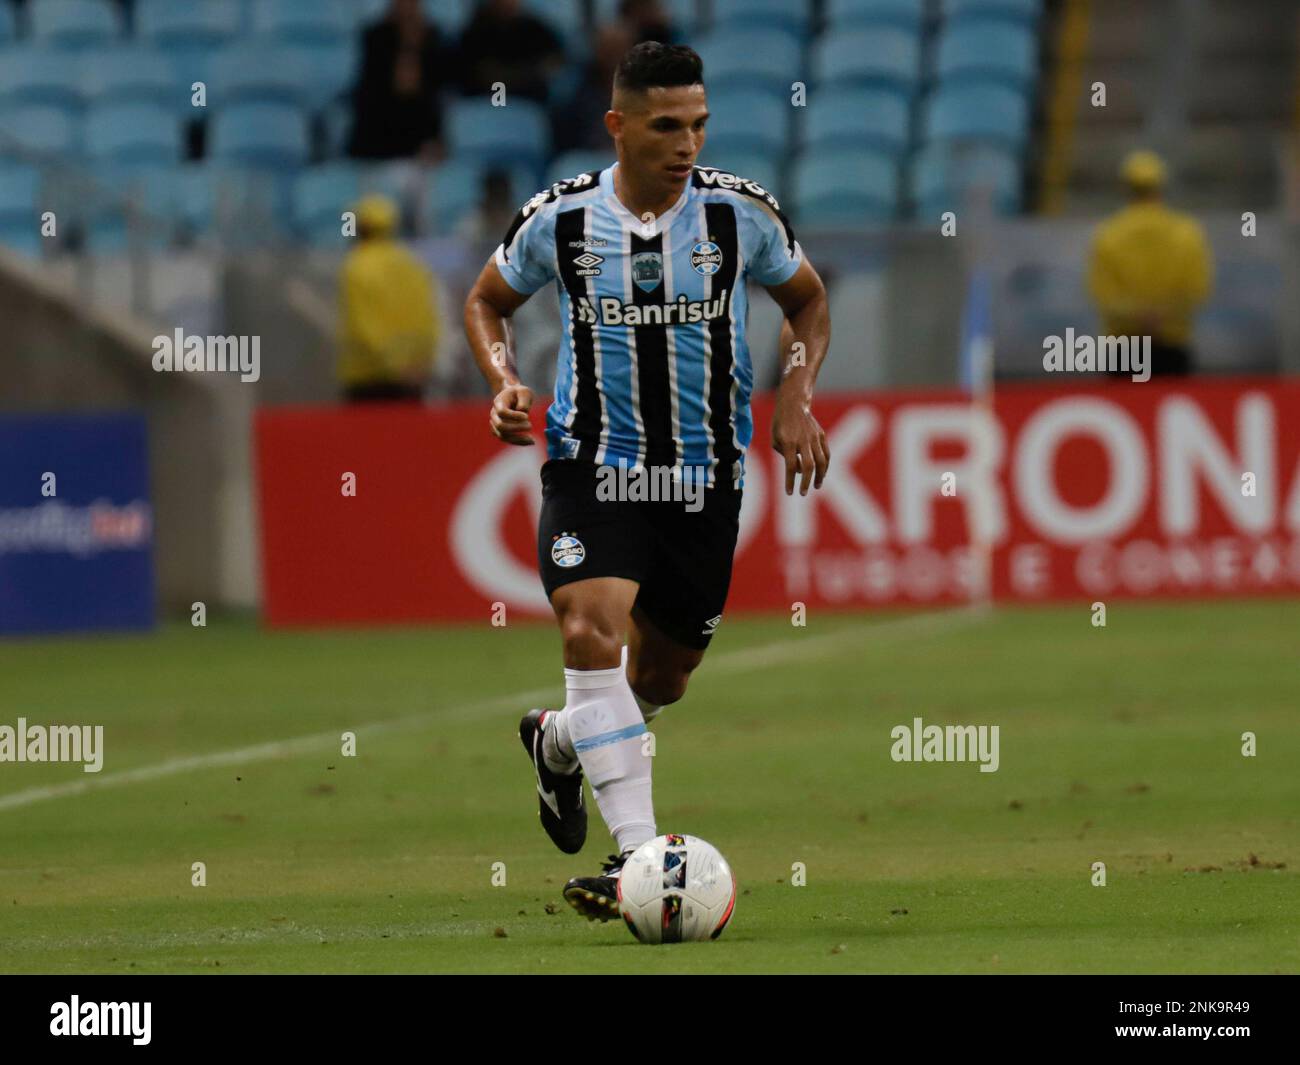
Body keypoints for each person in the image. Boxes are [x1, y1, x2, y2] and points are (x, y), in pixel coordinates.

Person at [463, 42, 831, 920]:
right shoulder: (559, 220)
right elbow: (485, 302)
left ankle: (556, 741)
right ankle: (637, 858)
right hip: (594, 465)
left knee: (663, 677)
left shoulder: (742, 217)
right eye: (668, 126)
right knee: (590, 628)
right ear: (618, 127)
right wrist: (504, 383)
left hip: (704, 479)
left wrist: (795, 393)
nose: (688, 144)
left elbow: (808, 303)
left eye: (699, 125)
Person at [1087, 149, 1213, 376]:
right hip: (1172, 344)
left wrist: (1138, 317)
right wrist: (1162, 317)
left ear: (1125, 188)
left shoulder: (1108, 234)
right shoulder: (1188, 233)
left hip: (1124, 349)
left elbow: (1102, 295)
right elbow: (1197, 290)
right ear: (1161, 186)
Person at [338, 196, 439, 402]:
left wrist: (394, 364)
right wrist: (421, 362)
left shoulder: (356, 265)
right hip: (414, 376)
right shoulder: (412, 263)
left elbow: (364, 326)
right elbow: (428, 318)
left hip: (368, 378)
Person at [348, 0, 446, 162]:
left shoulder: (432, 39)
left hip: (420, 150)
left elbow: (436, 94)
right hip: (374, 147)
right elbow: (377, 93)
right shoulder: (375, 39)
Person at [457, 0, 566, 104]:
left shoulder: (533, 28)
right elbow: (485, 74)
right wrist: (527, 73)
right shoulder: (476, 31)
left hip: (529, 103)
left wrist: (527, 73)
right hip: (483, 105)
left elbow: (555, 60)